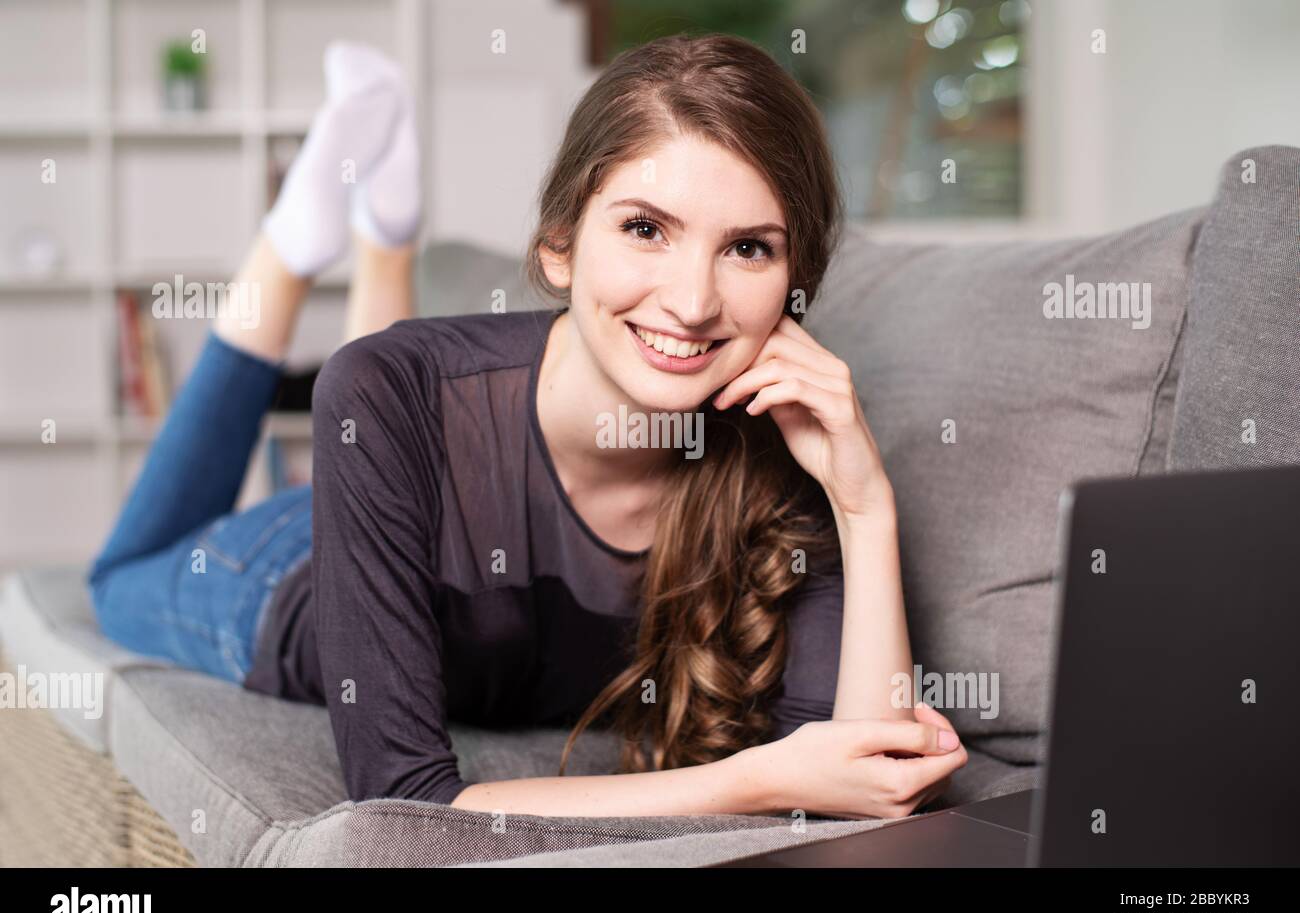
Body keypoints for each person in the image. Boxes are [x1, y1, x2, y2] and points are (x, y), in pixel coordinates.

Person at [87, 35, 968, 821]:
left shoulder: (789, 437)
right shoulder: (387, 388)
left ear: (792, 287)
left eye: (748, 248)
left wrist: (865, 501)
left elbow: (868, 775)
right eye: (645, 228)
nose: (695, 303)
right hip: (289, 578)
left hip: (409, 489)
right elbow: (405, 799)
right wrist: (760, 780)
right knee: (117, 577)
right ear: (559, 245)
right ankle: (293, 241)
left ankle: (382, 231)